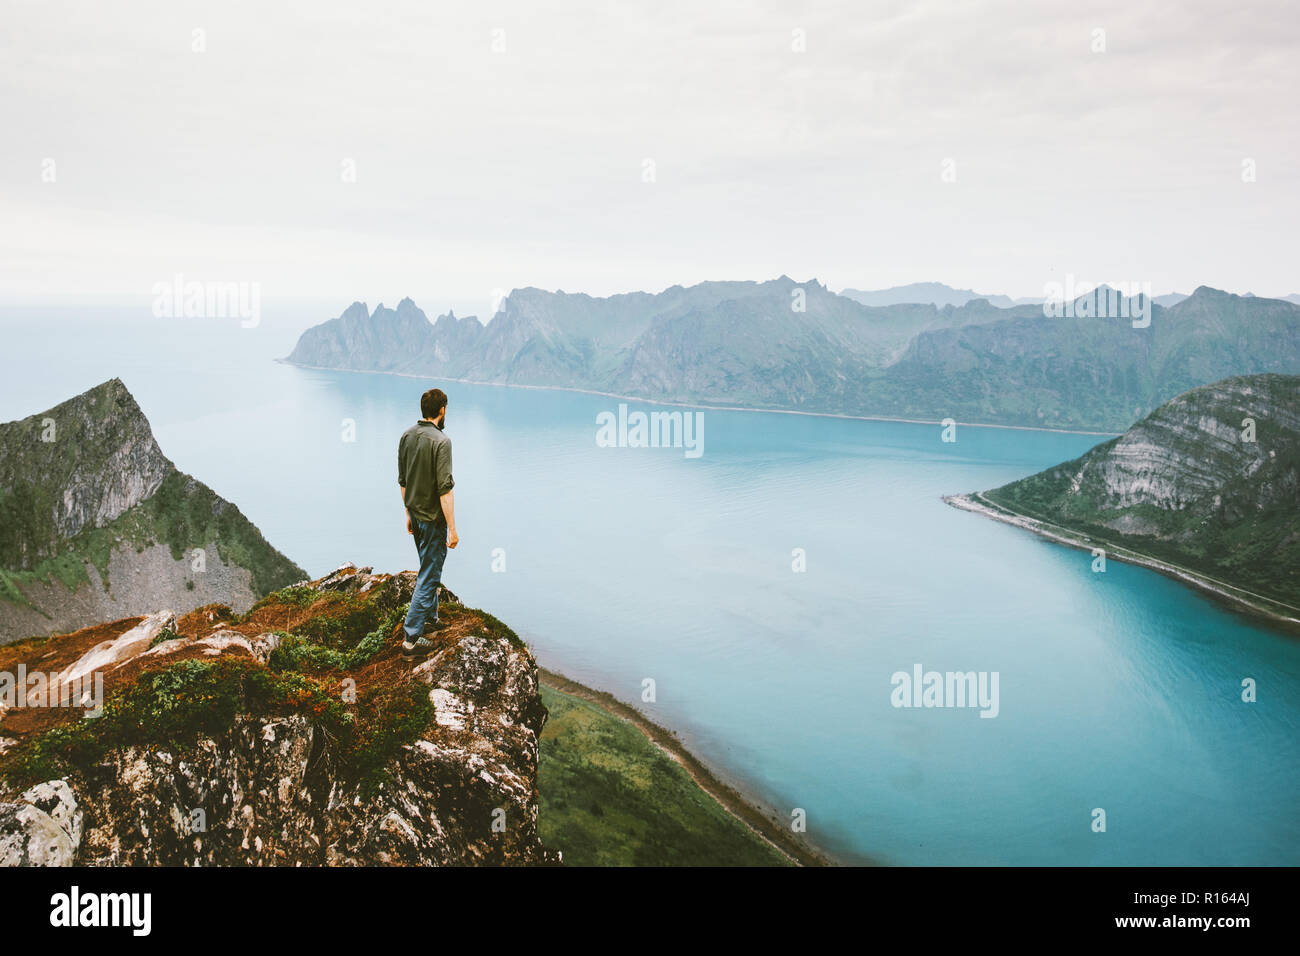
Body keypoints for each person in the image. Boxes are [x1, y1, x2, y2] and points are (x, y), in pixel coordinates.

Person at [396, 387, 459, 659]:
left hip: (416, 516)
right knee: (429, 574)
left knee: (427, 565)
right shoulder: (441, 442)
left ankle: (430, 618)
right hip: (433, 520)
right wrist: (453, 529)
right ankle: (411, 639)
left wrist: (408, 513)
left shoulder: (407, 436)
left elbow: (403, 481)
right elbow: (445, 490)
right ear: (442, 410)